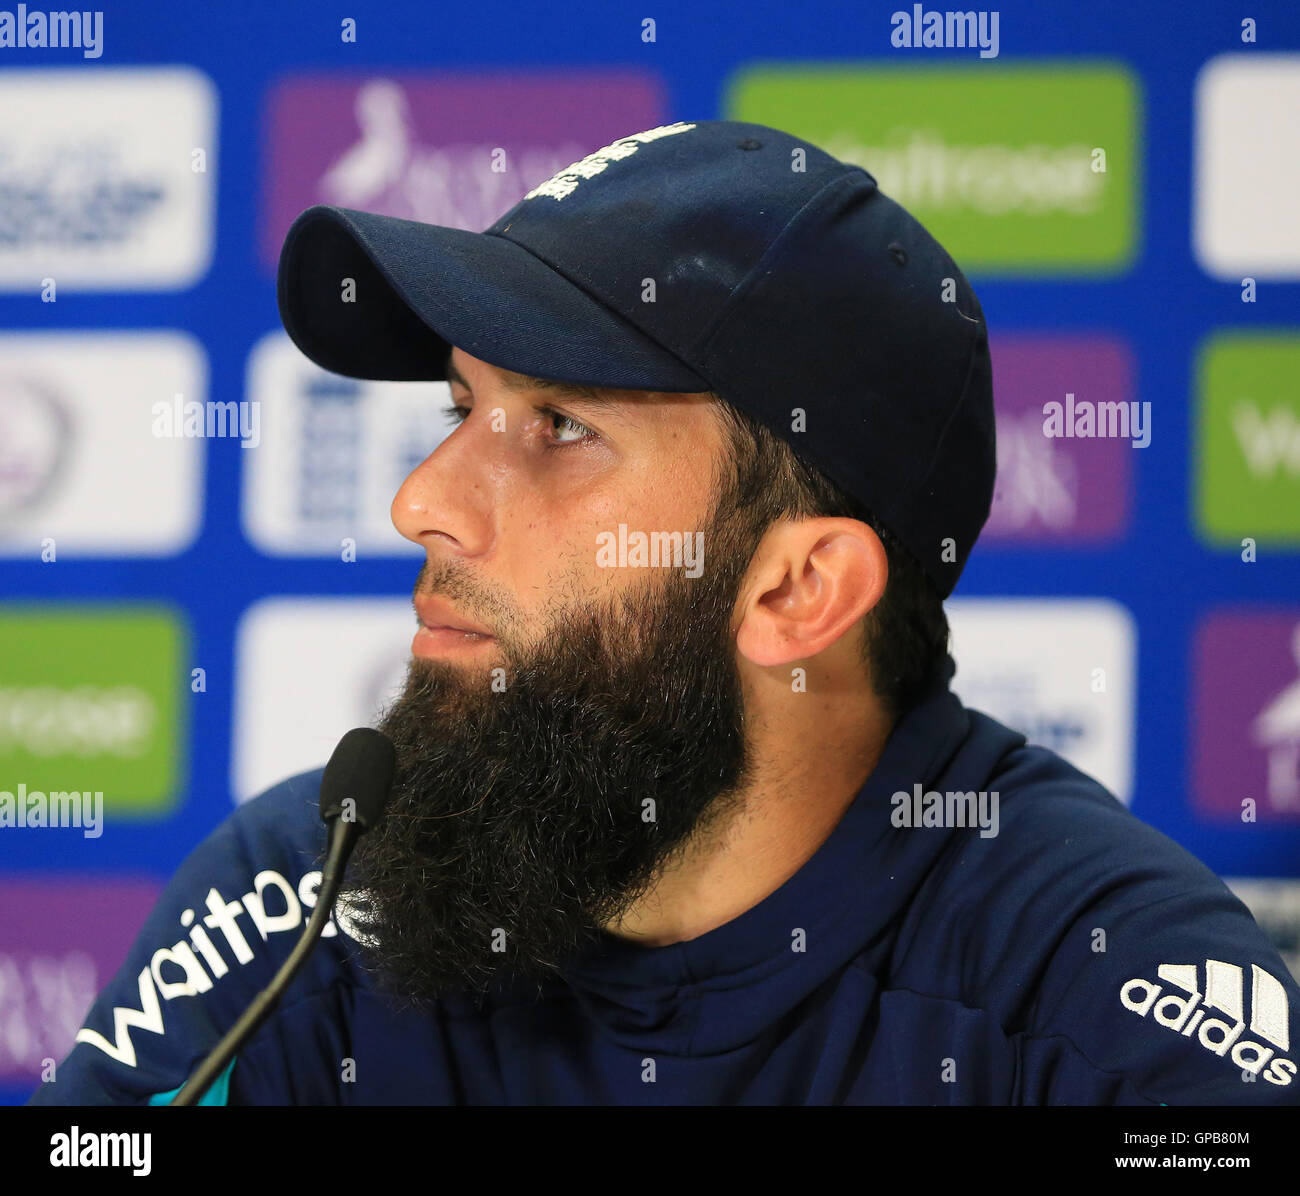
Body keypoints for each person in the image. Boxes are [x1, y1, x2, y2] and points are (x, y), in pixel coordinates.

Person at [31, 120, 1299, 1105]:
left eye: (563, 428)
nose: (423, 498)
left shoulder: (1101, 1005)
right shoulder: (313, 899)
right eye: (459, 411)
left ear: (798, 590)